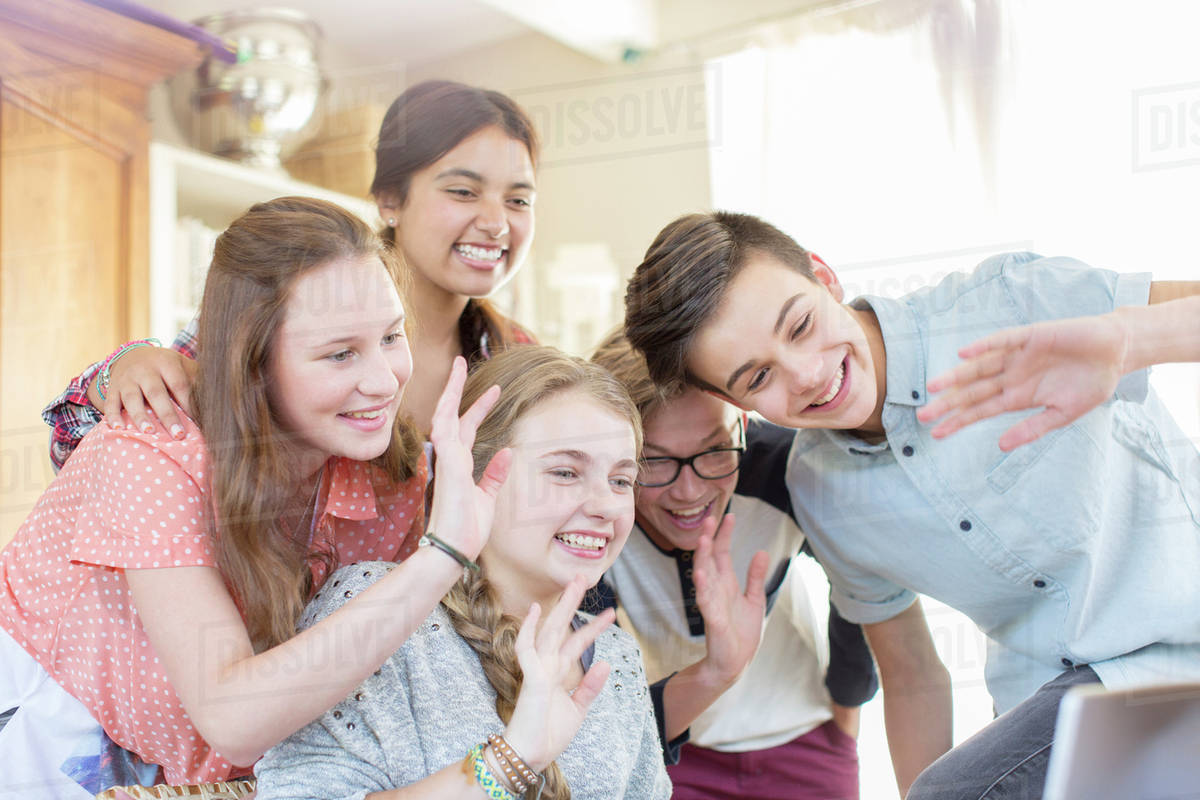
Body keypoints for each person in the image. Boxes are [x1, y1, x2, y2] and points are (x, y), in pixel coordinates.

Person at [621, 210, 1200, 799]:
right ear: (733, 402)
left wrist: (1136, 338)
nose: (808, 374)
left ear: (824, 278)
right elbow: (913, 676)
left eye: (800, 325)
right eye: (759, 377)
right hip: (1053, 711)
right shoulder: (820, 489)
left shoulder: (1008, 302)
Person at [0, 197, 510, 796]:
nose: (383, 380)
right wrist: (442, 555)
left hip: (212, 774)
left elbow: (357, 663)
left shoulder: (391, 478)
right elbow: (232, 717)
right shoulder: (154, 448)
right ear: (252, 362)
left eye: (392, 337)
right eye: (340, 352)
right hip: (50, 733)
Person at [42, 79, 539, 468]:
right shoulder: (290, 307)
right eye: (463, 192)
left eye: (518, 200)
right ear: (390, 200)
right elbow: (79, 454)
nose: (496, 223)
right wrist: (122, 370)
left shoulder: (518, 357)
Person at [253, 346, 673, 800]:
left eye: (621, 480)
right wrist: (510, 760)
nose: (605, 506)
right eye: (566, 472)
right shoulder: (378, 610)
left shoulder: (612, 654)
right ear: (473, 476)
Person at [590, 330, 877, 800]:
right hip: (672, 746)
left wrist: (845, 714)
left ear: (743, 425)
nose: (690, 492)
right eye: (653, 462)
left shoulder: (785, 467)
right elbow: (595, 710)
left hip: (806, 739)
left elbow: (861, 584)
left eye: (715, 449)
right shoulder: (595, 516)